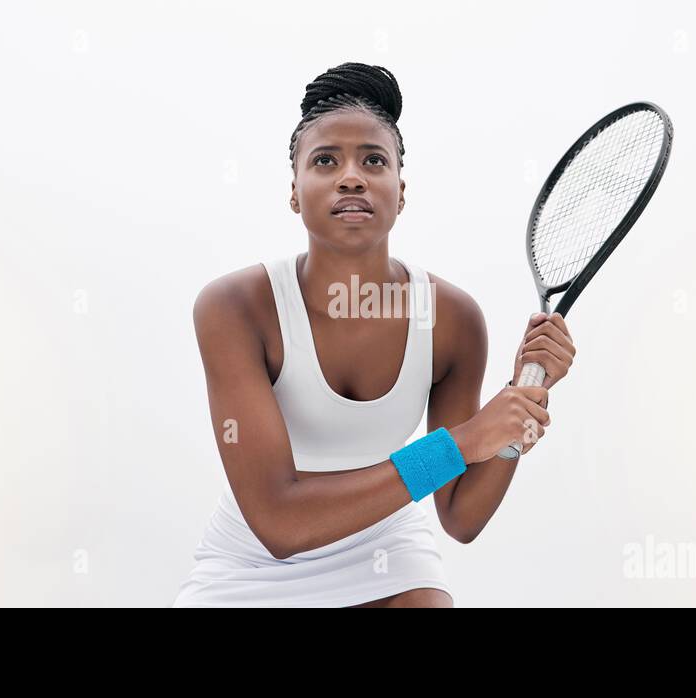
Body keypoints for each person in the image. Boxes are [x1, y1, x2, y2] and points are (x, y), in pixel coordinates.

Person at [172, 62, 576, 608]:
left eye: (374, 160)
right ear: (294, 192)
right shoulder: (235, 307)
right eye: (325, 161)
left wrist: (517, 414)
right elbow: (279, 523)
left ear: (400, 191)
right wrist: (462, 442)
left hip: (384, 545)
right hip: (255, 559)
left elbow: (461, 516)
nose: (351, 176)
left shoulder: (453, 319)